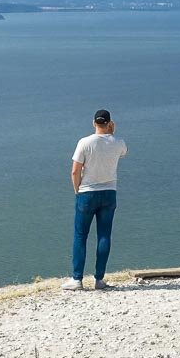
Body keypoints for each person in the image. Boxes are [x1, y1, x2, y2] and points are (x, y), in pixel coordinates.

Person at [62, 109, 127, 291]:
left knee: (80, 235)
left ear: (93, 123)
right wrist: (111, 134)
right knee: (104, 235)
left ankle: (77, 280)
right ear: (110, 123)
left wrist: (77, 190)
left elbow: (75, 171)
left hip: (87, 194)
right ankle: (99, 280)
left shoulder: (84, 142)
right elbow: (123, 152)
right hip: (109, 193)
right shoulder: (119, 142)